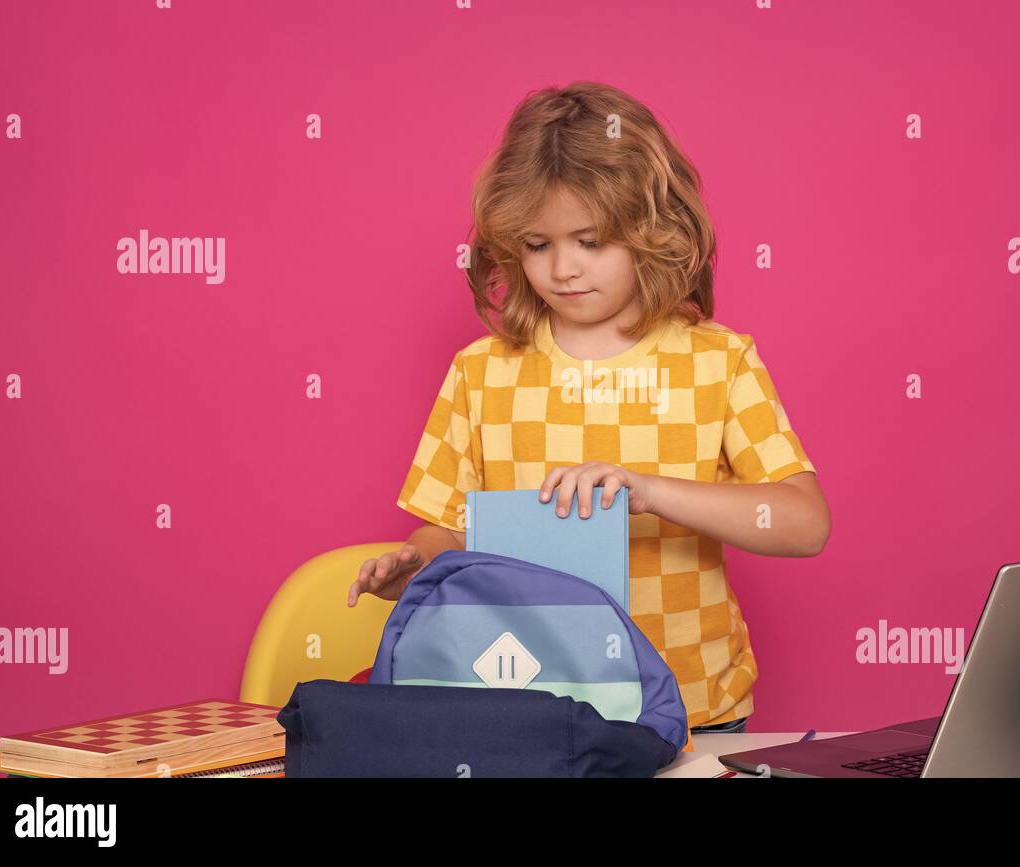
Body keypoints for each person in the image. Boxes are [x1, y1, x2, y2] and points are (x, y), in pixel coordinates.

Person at [348, 81, 830, 734]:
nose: (563, 269)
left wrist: (652, 491)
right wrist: (414, 562)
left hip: (694, 708)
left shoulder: (719, 361)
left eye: (591, 240)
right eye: (538, 244)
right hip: (528, 707)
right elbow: (454, 532)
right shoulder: (481, 372)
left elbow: (803, 522)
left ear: (652, 229)